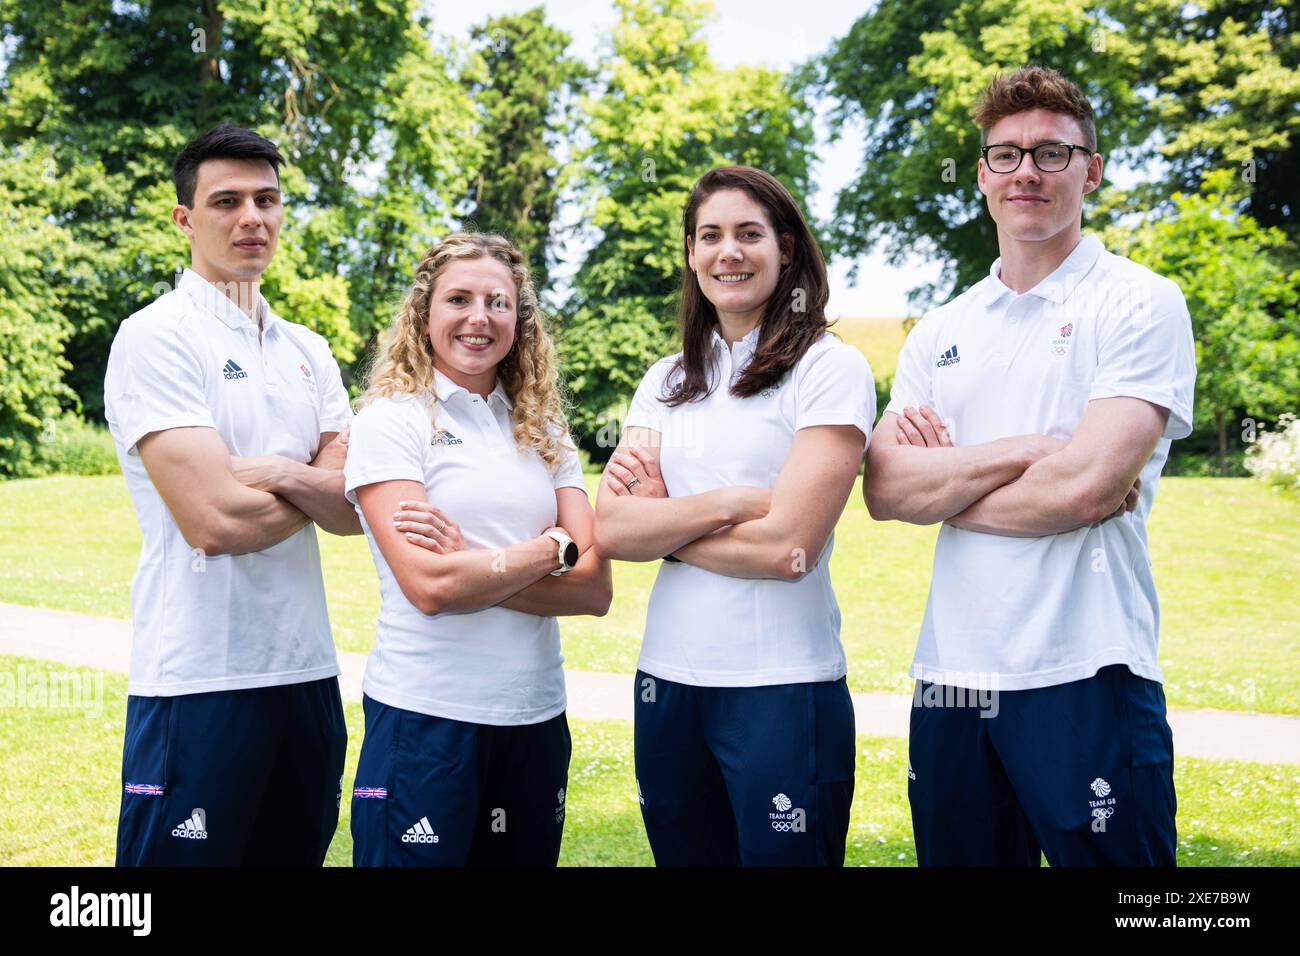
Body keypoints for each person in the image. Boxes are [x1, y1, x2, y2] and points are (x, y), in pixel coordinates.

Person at [864, 66, 1196, 866]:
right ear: (982, 174)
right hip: (951, 677)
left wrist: (946, 488)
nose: (1027, 173)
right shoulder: (938, 328)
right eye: (1006, 154)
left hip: (1087, 667)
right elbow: (883, 490)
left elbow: (1087, 489)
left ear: (1092, 169)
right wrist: (1030, 453)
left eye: (1052, 153)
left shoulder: (1139, 302)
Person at [595, 166, 874, 866]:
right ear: (691, 252)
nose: (729, 252)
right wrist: (724, 506)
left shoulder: (827, 369)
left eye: (750, 234)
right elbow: (613, 529)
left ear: (785, 248)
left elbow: (789, 549)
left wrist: (669, 527)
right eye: (710, 235)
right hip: (669, 683)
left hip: (781, 687)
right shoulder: (664, 381)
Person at [104, 124, 359, 866]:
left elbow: (355, 511)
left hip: (308, 675)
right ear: (185, 219)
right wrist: (317, 482)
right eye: (227, 201)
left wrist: (275, 473)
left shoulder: (308, 350)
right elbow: (213, 519)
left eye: (267, 199)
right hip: (198, 679)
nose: (252, 217)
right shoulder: (155, 338)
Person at [343, 232, 611, 866]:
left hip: (534, 718)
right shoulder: (393, 421)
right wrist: (553, 546)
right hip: (427, 718)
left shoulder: (546, 429)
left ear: (520, 319)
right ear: (424, 314)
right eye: (458, 299)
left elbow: (596, 589)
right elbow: (432, 589)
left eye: (498, 302)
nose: (478, 318)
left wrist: (478, 564)